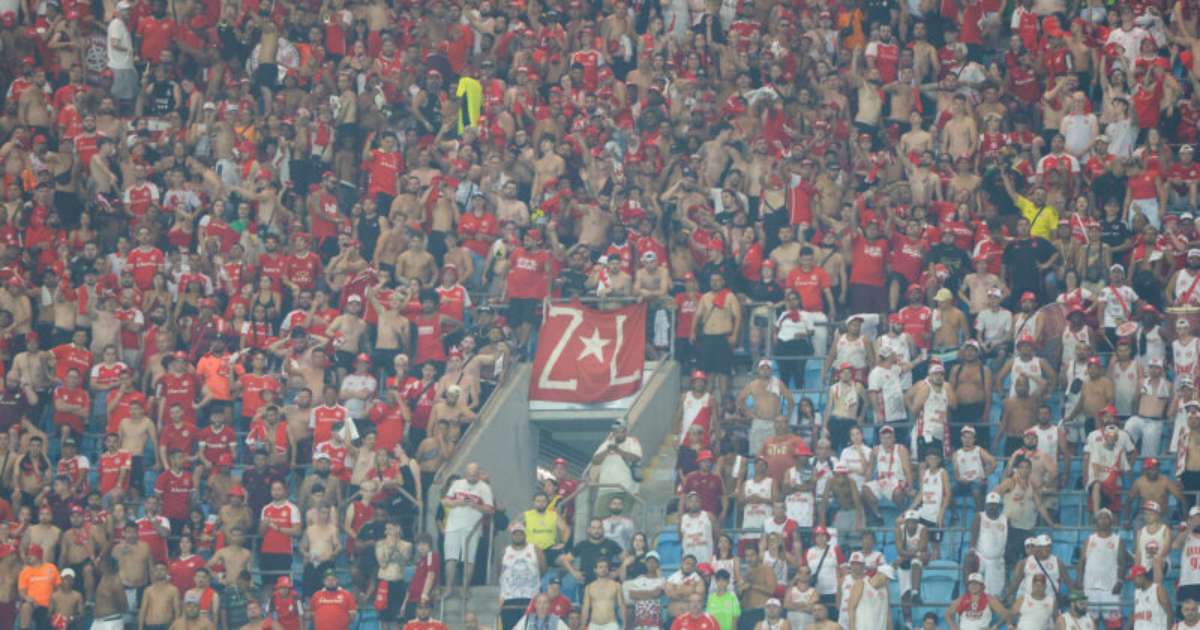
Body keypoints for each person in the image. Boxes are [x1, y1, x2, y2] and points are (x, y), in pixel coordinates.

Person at [441, 462, 494, 599]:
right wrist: (457, 503)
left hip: (472, 529)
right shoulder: (457, 484)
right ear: (465, 474)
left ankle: (465, 588)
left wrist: (475, 505)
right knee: (450, 558)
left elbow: (489, 509)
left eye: (475, 475)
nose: (472, 477)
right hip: (453, 526)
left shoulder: (484, 488)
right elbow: (445, 501)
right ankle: (449, 588)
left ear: (478, 474)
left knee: (468, 560)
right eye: (470, 474)